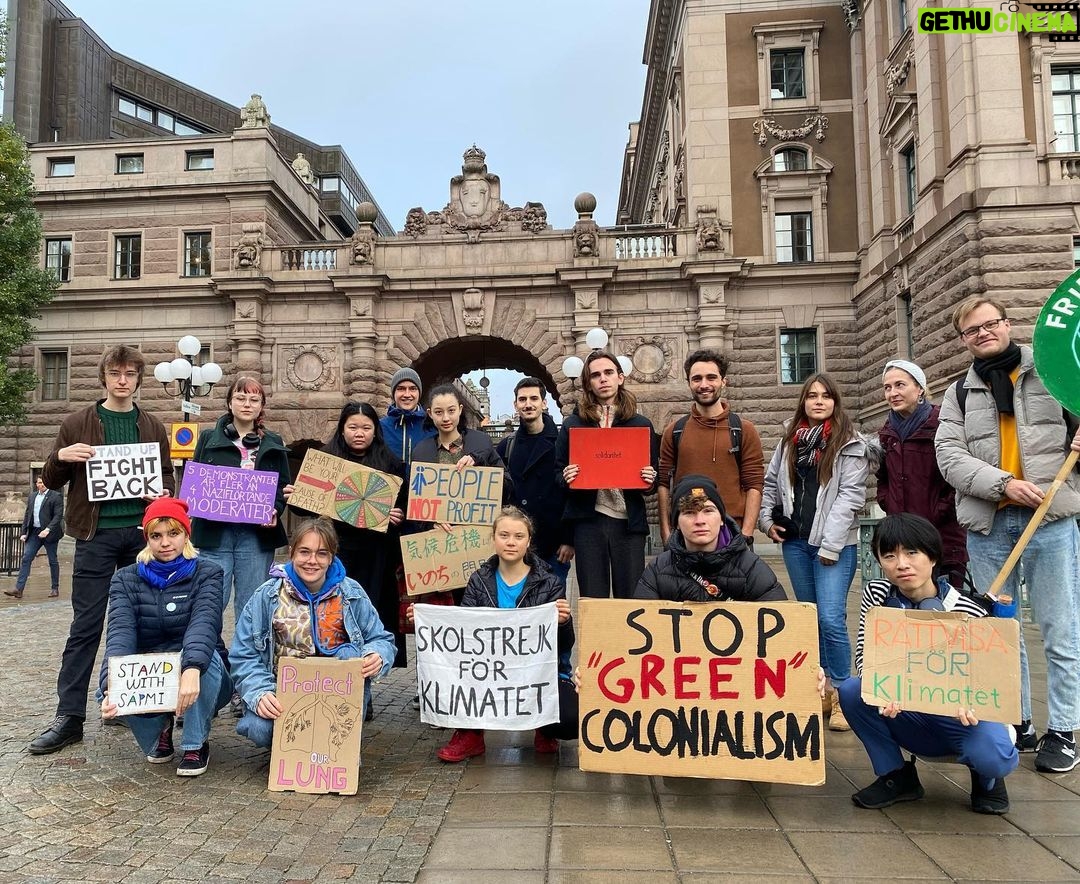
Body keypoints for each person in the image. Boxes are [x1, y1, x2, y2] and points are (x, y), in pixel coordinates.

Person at [935, 295, 1080, 772]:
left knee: (1061, 629)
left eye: (990, 324)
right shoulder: (958, 394)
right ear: (964, 340)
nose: (983, 333)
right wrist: (1005, 485)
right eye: (972, 330)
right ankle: (1018, 723)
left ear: (1007, 324)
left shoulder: (1056, 375)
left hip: (1050, 522)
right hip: (990, 526)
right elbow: (950, 458)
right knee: (1000, 632)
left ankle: (1063, 730)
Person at [29, 345, 174, 755]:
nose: (122, 380)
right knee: (86, 627)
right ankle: (69, 717)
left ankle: (135, 703)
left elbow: (166, 475)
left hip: (141, 539)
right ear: (104, 377)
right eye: (115, 373)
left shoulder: (153, 426)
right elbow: (52, 477)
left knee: (144, 623)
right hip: (94, 537)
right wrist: (60, 455)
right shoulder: (77, 422)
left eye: (130, 373)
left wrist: (164, 491)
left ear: (139, 379)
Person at [838, 513, 1018, 814]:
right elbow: (864, 655)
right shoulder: (877, 596)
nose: (902, 564)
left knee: (993, 754)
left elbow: (993, 681)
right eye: (890, 555)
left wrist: (975, 702)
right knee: (853, 690)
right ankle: (895, 775)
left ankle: (986, 778)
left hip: (962, 720)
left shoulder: (968, 611)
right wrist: (881, 689)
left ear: (932, 557)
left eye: (911, 553)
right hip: (908, 713)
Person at [407, 506, 576, 762]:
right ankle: (470, 736)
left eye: (519, 536)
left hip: (533, 673)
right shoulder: (479, 580)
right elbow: (462, 635)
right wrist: (424, 620)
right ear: (493, 538)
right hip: (488, 671)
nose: (511, 542)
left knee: (571, 719)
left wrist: (563, 623)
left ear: (529, 541)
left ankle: (545, 726)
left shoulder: (550, 582)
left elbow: (564, 645)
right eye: (504, 535)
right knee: (460, 678)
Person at [759, 372, 868, 732]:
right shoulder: (790, 443)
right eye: (811, 396)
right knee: (809, 619)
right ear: (803, 402)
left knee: (832, 619)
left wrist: (831, 545)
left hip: (833, 547)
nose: (818, 401)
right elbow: (771, 483)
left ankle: (843, 693)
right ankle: (819, 688)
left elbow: (850, 498)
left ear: (835, 402)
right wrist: (766, 521)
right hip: (796, 544)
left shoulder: (850, 444)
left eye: (825, 396)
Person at [230, 518, 397, 749]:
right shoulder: (266, 596)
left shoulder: (351, 592)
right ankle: (291, 748)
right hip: (283, 692)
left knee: (349, 653)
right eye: (304, 552)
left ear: (331, 557)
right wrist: (259, 692)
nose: (312, 561)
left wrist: (377, 655)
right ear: (292, 553)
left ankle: (339, 746)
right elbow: (243, 655)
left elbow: (381, 639)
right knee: (260, 729)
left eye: (321, 553)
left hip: (337, 696)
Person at [98, 499, 232, 777]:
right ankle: (160, 728)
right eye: (156, 536)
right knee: (111, 683)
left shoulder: (208, 572)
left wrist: (192, 668)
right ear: (146, 538)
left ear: (186, 534)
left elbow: (204, 624)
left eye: (173, 533)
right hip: (154, 668)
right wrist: (112, 684)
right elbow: (120, 631)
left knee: (202, 660)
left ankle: (196, 743)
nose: (165, 543)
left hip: (200, 671)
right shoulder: (125, 579)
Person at [289, 402, 408, 677]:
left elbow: (404, 507)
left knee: (370, 613)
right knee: (335, 611)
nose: (359, 433)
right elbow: (304, 507)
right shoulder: (326, 460)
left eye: (366, 428)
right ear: (342, 430)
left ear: (375, 431)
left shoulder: (391, 465)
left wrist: (397, 514)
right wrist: (294, 496)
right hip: (337, 551)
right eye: (353, 427)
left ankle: (367, 675)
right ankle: (332, 672)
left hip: (377, 554)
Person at [555, 350, 659, 599]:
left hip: (628, 522)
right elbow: (557, 475)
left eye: (608, 373)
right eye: (596, 375)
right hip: (589, 521)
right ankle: (596, 640)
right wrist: (567, 477)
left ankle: (629, 640)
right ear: (588, 383)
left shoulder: (640, 424)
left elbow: (655, 479)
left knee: (631, 595)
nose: (603, 379)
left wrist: (649, 480)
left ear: (620, 377)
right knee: (592, 596)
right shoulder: (574, 425)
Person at [190, 376, 291, 631]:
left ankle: (247, 664)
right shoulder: (207, 438)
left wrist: (276, 509)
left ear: (261, 406)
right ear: (229, 402)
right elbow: (196, 483)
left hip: (255, 537)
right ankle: (207, 661)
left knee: (252, 604)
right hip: (215, 534)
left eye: (254, 399)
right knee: (210, 601)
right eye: (241, 398)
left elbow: (283, 486)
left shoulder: (274, 442)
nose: (247, 404)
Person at [658, 349, 765, 547]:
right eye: (697, 379)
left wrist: (746, 534)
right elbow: (664, 484)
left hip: (732, 533)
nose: (704, 385)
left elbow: (754, 485)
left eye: (711, 377)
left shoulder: (743, 430)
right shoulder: (674, 431)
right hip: (686, 532)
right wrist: (666, 532)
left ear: (724, 381)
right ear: (689, 383)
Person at [877, 359, 967, 588]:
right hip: (903, 539)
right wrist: (888, 502)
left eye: (900, 385)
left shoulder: (943, 423)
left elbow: (958, 473)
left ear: (919, 389)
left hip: (942, 535)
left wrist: (940, 510)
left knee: (946, 608)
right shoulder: (887, 432)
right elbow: (883, 478)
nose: (893, 393)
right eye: (888, 388)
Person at [636, 475, 786, 603]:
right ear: (677, 523)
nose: (700, 520)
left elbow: (782, 623)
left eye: (708, 511)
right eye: (689, 512)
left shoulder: (752, 569)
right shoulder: (656, 571)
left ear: (722, 518)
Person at [495, 377, 574, 586]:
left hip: (553, 547)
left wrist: (569, 540)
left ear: (544, 403)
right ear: (515, 405)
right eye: (522, 399)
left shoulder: (562, 444)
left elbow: (572, 493)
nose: (528, 404)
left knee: (551, 610)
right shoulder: (506, 446)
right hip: (516, 547)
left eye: (533, 398)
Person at [6, 477, 64, 599]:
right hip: (34, 533)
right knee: (26, 558)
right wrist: (23, 532)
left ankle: (55, 588)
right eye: (39, 482)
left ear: (48, 483)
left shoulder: (56, 496)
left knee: (52, 561)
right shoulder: (32, 496)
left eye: (43, 482)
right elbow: (28, 514)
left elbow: (58, 516)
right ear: (36, 484)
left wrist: (48, 529)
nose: (41, 484)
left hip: (50, 533)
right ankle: (19, 589)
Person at [380, 367, 435, 465]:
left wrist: (472, 455)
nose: (407, 394)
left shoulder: (432, 425)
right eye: (401, 389)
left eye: (413, 389)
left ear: (419, 393)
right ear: (393, 393)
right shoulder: (380, 427)